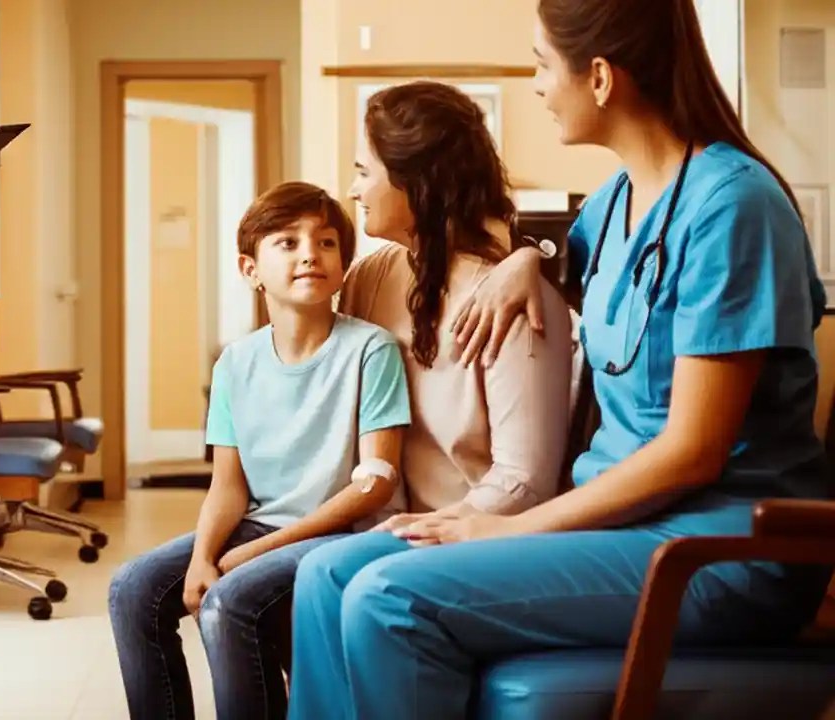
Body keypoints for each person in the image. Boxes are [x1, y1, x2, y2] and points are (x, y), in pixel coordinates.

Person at [287, 1, 833, 718]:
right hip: (624, 527)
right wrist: (526, 257)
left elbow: (693, 453)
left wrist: (507, 527)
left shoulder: (735, 207)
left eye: (544, 65)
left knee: (389, 599)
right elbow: (549, 255)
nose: (538, 86)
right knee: (326, 575)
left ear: (600, 78)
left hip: (715, 544)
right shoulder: (613, 205)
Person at [108, 181, 411, 720]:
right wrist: (204, 556)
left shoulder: (371, 349)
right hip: (260, 523)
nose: (309, 255)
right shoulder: (235, 364)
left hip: (341, 531)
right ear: (250, 269)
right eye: (287, 243)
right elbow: (228, 486)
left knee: (227, 603)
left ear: (343, 264)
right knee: (133, 588)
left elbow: (376, 484)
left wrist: (253, 553)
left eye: (325, 243)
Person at [340, 81, 574, 521]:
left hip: (465, 537)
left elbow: (522, 483)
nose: (354, 190)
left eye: (364, 172)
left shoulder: (517, 303)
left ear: (417, 184)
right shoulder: (367, 279)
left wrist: (416, 531)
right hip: (368, 524)